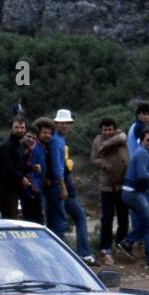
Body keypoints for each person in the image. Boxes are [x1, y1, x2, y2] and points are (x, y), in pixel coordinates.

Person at [118, 126, 149, 268]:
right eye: (148, 139)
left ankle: (128, 242)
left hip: (131, 192)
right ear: (141, 140)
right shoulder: (143, 153)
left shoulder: (146, 153)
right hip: (133, 193)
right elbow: (141, 175)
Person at [53, 109, 92, 259]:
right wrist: (63, 187)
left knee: (66, 220)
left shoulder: (60, 139)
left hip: (64, 183)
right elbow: (58, 168)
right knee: (64, 221)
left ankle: (77, 253)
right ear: (56, 123)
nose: (65, 126)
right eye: (62, 123)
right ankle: (79, 253)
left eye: (67, 123)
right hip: (62, 185)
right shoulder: (57, 141)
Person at [91, 117, 128, 262]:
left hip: (122, 183)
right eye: (105, 130)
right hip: (106, 184)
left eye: (110, 129)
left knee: (123, 216)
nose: (108, 132)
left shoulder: (120, 136)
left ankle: (122, 243)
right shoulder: (96, 140)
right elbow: (93, 159)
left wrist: (106, 144)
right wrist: (103, 164)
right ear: (101, 130)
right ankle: (105, 247)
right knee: (107, 217)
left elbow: (122, 137)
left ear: (114, 129)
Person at [0, 116, 27, 220]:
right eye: (16, 127)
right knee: (10, 218)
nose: (19, 130)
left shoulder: (20, 145)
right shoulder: (6, 145)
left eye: (22, 127)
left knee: (15, 216)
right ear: (11, 128)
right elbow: (7, 167)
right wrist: (21, 178)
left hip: (16, 187)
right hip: (7, 188)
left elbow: (20, 165)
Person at [20, 127, 46, 225]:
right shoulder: (21, 149)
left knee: (37, 217)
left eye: (34, 138)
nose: (31, 139)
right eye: (28, 137)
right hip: (26, 187)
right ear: (24, 136)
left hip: (35, 187)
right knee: (29, 218)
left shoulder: (35, 149)